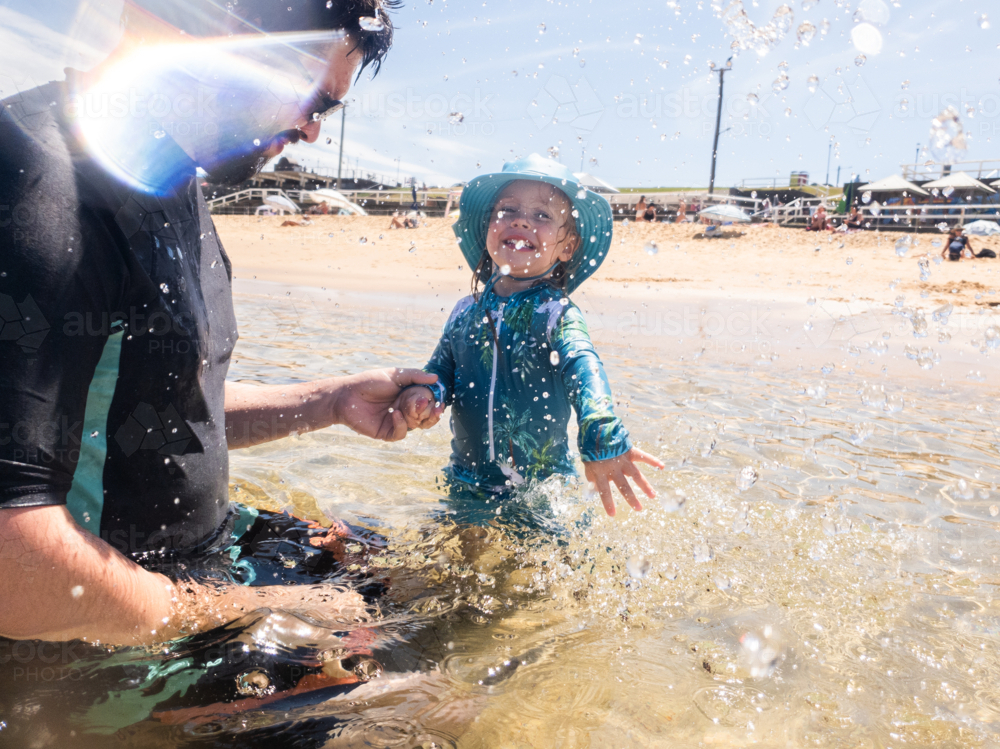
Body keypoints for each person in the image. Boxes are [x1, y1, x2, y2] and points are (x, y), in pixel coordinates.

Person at [0, 0, 441, 648]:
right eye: (312, 100)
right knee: (436, 715)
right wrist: (242, 612)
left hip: (196, 570)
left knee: (421, 585)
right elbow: (12, 559)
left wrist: (329, 400)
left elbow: (157, 405)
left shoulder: (168, 180)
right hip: (110, 640)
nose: (314, 130)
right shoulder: (40, 178)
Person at [397, 155, 664, 516]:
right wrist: (426, 393)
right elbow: (442, 371)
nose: (521, 219)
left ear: (567, 247)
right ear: (488, 226)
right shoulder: (464, 312)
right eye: (507, 210)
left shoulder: (558, 315)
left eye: (542, 215)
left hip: (542, 493)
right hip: (466, 481)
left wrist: (600, 428)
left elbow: (583, 365)